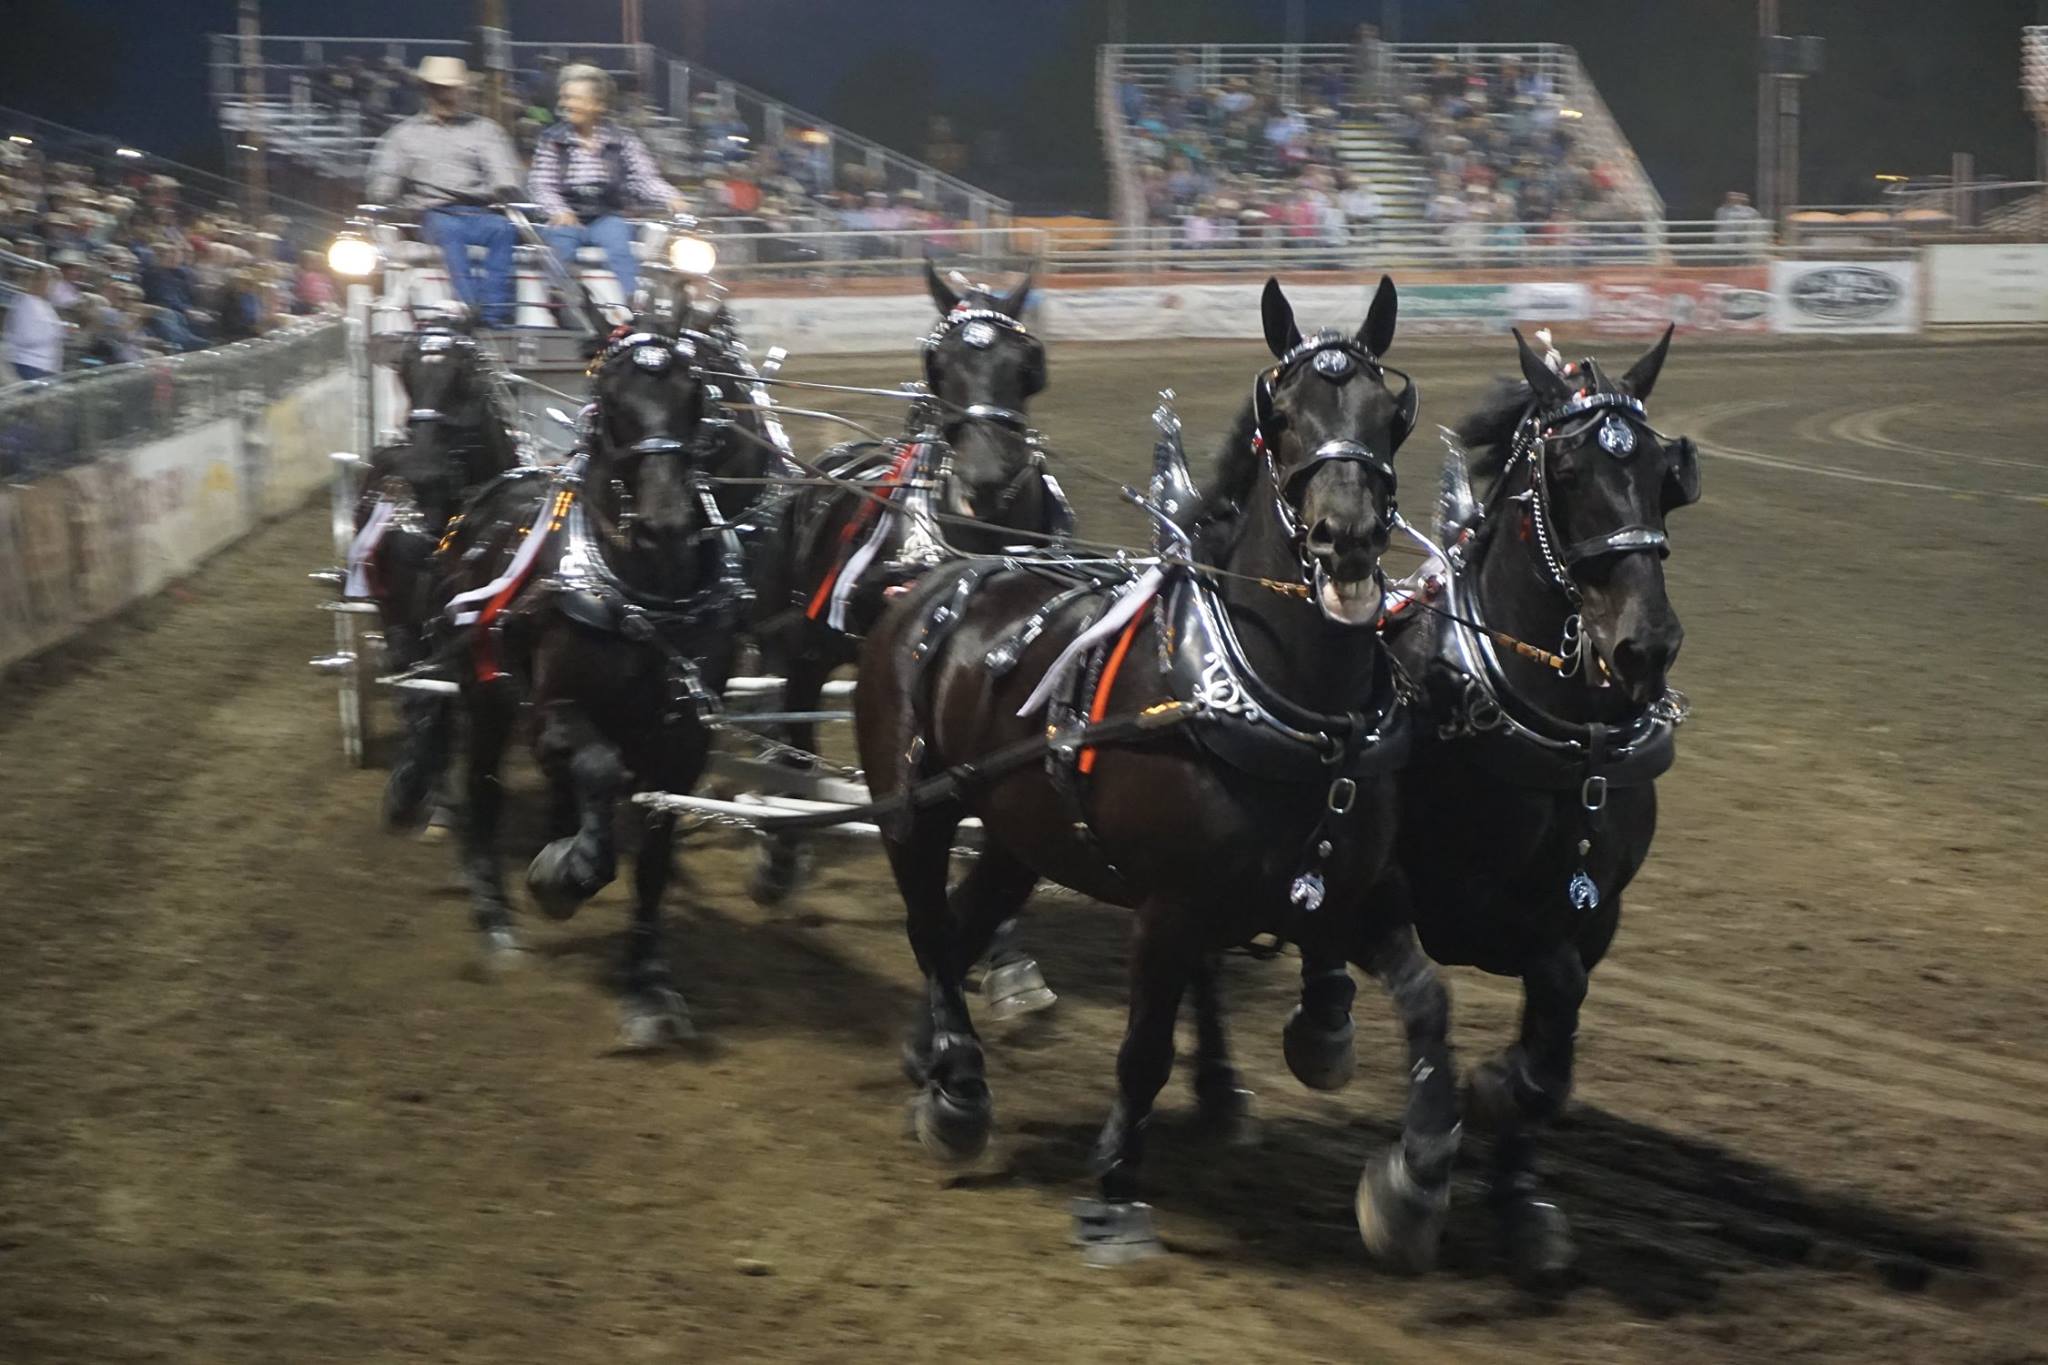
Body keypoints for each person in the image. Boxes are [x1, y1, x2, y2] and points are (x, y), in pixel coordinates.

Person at [365, 56, 525, 328]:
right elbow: (383, 183)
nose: (449, 95)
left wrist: (506, 187)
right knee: (450, 233)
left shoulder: (485, 130)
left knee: (504, 230)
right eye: (441, 89)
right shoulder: (404, 135)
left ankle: (494, 312)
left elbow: (505, 176)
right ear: (428, 91)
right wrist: (387, 197)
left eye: (453, 89)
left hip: (480, 211)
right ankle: (469, 308)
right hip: (434, 212)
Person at [526, 64, 685, 308]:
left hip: (605, 214)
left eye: (575, 98)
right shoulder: (553, 139)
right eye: (565, 97)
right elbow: (541, 184)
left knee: (619, 244)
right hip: (568, 212)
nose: (567, 104)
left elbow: (643, 178)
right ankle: (559, 300)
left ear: (597, 105)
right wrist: (559, 210)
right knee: (560, 246)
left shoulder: (622, 140)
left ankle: (634, 300)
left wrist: (671, 197)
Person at [4, 269, 66, 381]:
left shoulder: (44, 304)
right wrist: (57, 332)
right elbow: (25, 338)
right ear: (38, 281)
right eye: (50, 282)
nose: (52, 286)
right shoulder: (25, 303)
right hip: (29, 366)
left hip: (44, 367)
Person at [1714, 189, 1767, 262]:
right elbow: (1721, 223)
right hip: (1727, 241)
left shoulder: (1752, 211)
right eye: (1732, 196)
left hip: (1745, 241)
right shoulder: (1721, 210)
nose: (1735, 198)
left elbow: (1757, 224)